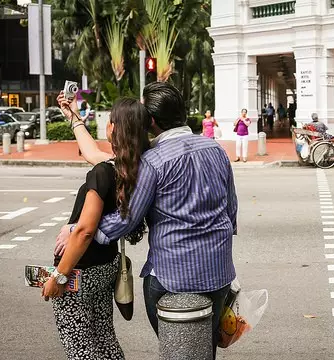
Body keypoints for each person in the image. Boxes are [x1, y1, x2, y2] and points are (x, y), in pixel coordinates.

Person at [55, 82, 237, 359]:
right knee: (204, 346)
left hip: (171, 276)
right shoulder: (215, 149)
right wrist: (75, 120)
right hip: (220, 272)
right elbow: (231, 209)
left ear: (150, 121)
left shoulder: (153, 161)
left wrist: (78, 229)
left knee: (175, 344)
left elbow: (128, 220)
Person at [43, 96, 151, 360]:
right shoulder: (135, 168)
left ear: (113, 128)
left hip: (80, 271)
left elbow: (85, 231)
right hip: (105, 267)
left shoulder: (103, 173)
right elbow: (92, 153)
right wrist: (74, 117)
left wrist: (59, 276)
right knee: (104, 338)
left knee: (80, 347)